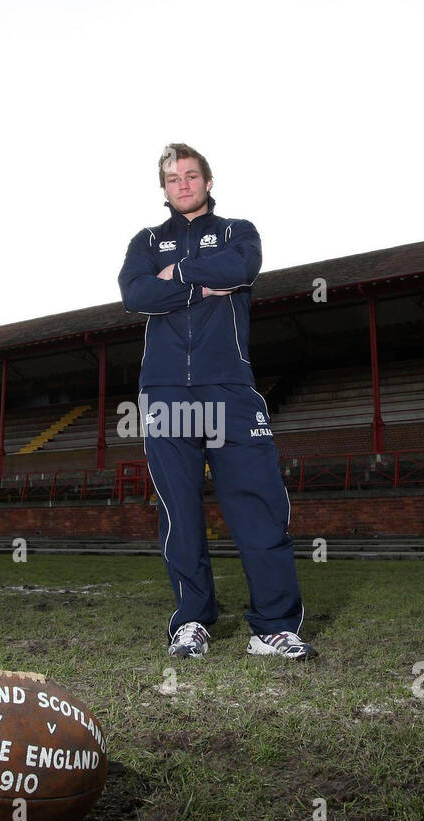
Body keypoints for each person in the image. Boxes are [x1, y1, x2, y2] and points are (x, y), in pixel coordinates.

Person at [117, 143, 315, 661]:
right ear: (163, 189)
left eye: (190, 175)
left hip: (229, 389)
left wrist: (178, 276)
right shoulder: (146, 241)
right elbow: (135, 295)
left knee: (258, 507)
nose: (182, 183)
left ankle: (273, 627)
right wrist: (204, 285)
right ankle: (192, 622)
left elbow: (241, 268)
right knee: (179, 513)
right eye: (172, 178)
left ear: (207, 181)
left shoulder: (237, 231)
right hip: (164, 394)